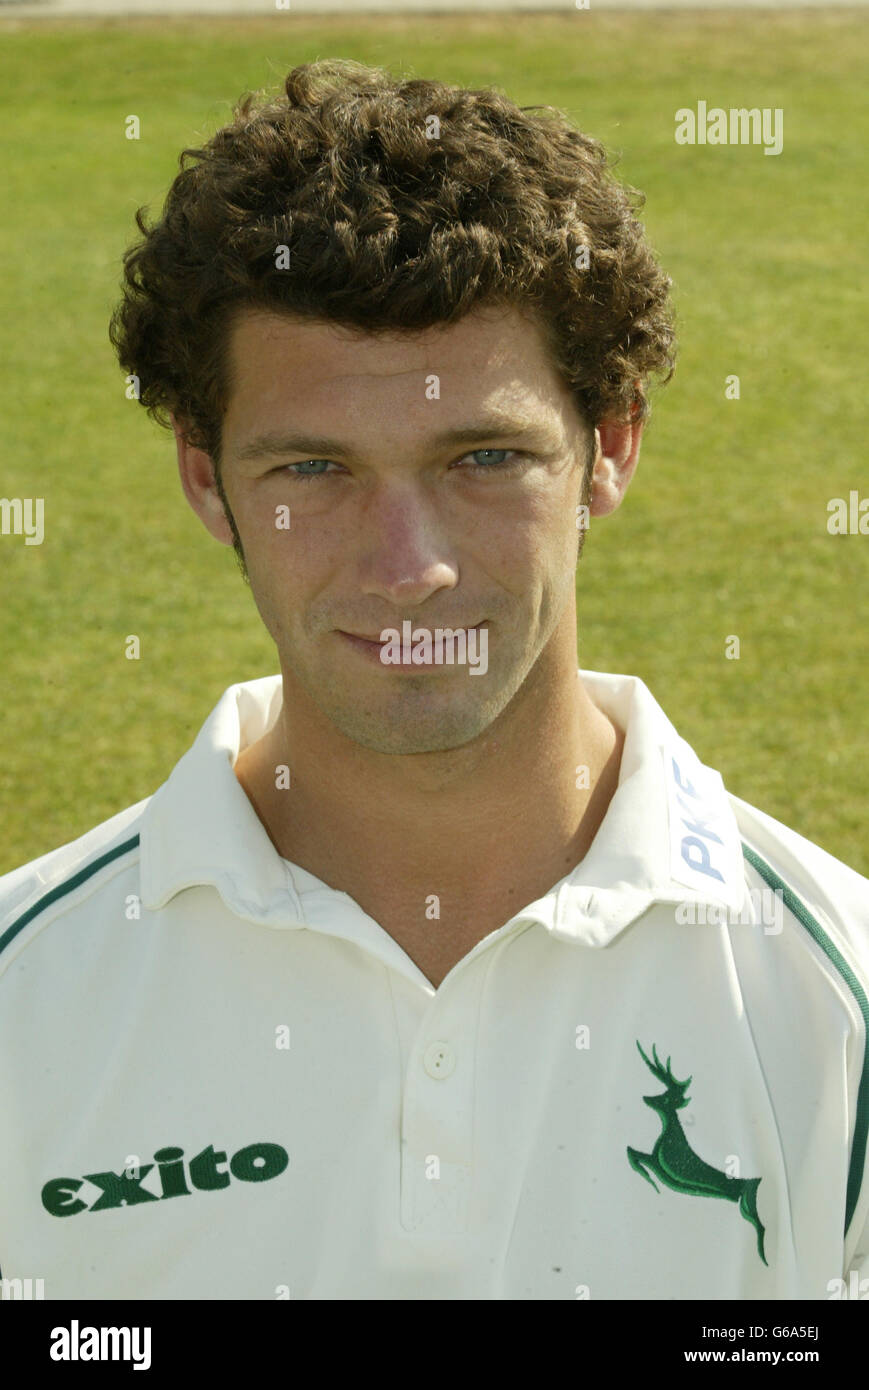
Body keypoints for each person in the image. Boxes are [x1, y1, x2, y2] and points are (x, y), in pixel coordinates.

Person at [0, 59, 866, 1302]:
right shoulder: (25, 1004)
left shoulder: (837, 1008)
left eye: (483, 457)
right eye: (311, 470)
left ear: (607, 447)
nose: (409, 570)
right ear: (205, 481)